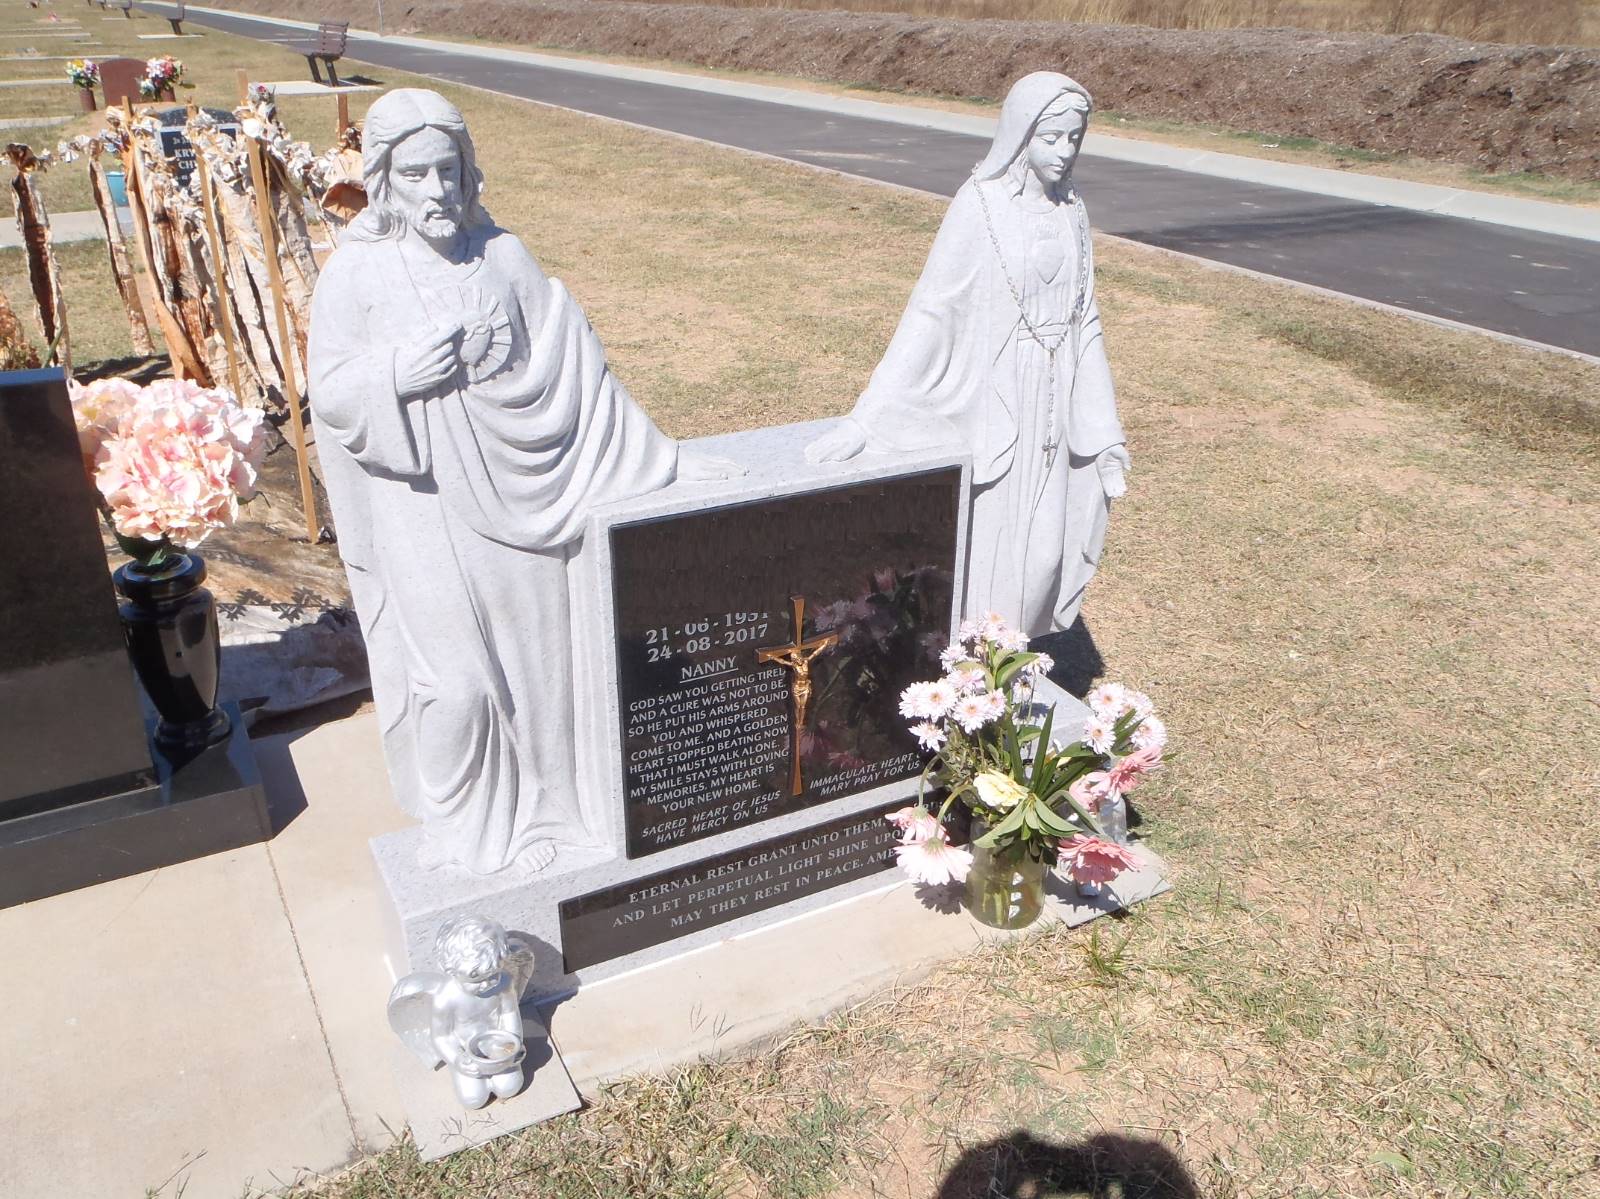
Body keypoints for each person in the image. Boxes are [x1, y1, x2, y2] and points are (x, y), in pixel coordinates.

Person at [308, 89, 727, 875]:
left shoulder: (502, 255)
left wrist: (661, 459)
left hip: (527, 492)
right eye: (416, 175)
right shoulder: (356, 275)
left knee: (541, 671)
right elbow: (328, 392)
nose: (437, 190)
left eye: (448, 170)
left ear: (468, 171)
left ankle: (547, 818)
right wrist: (396, 374)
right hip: (422, 502)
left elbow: (574, 363)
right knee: (459, 685)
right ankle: (459, 827)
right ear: (384, 181)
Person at [807, 71, 1129, 637]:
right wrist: (868, 418)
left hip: (1055, 405)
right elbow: (932, 312)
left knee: (1045, 556)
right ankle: (979, 671)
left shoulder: (1072, 210)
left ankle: (1009, 663)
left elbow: (1088, 323)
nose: (1064, 151)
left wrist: (1104, 434)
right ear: (1021, 135)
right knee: (991, 550)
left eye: (1074, 138)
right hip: (997, 401)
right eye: (1051, 137)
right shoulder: (980, 206)